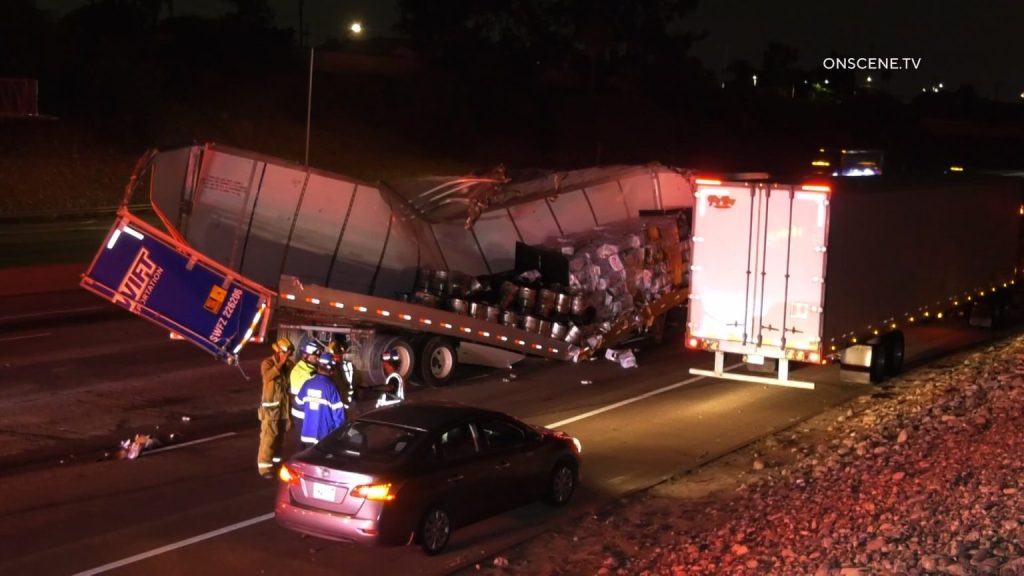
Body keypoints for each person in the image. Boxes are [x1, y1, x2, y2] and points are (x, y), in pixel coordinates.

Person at [293, 352, 347, 448]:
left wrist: (306, 424)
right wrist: (339, 435)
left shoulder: (307, 384)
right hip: (324, 437)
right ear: (331, 369)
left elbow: (298, 407)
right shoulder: (332, 387)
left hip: (307, 435)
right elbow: (338, 416)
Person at [257, 336, 294, 479]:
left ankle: (275, 464)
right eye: (286, 353)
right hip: (270, 410)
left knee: (280, 438)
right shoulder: (267, 363)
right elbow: (267, 377)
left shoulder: (289, 365)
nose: (288, 355)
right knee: (269, 438)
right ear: (279, 351)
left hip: (283, 408)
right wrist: (280, 364)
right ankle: (265, 468)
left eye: (289, 353)